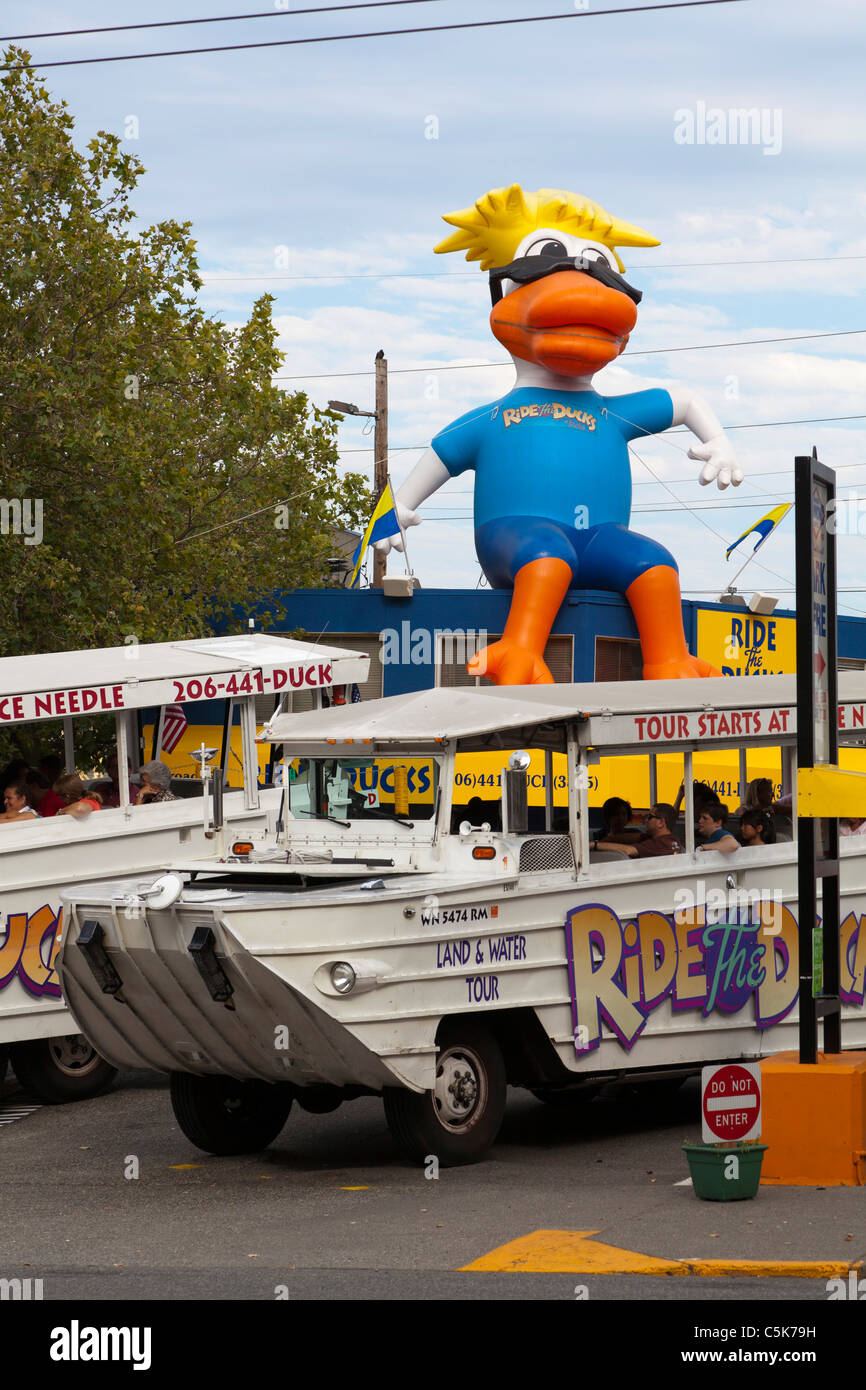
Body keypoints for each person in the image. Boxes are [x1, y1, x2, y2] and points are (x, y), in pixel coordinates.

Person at [596, 803, 682, 858]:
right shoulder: (655, 838)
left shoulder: (662, 843)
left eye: (649, 817)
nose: (646, 820)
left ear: (661, 822)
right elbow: (618, 838)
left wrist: (594, 845)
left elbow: (628, 851)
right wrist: (606, 840)